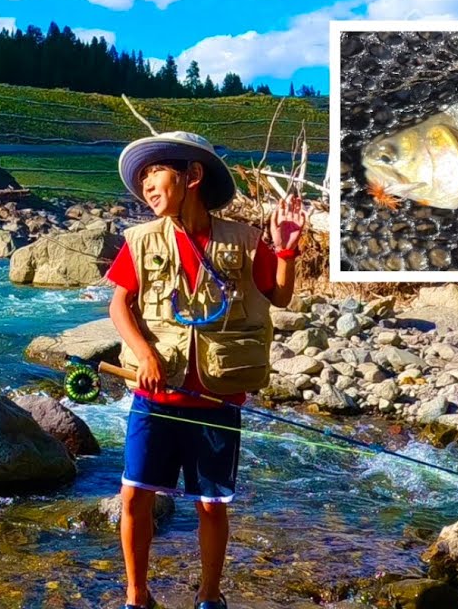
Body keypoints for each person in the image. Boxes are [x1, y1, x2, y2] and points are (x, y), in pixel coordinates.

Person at [105, 131, 306, 609]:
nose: (146, 184)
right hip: (155, 397)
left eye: (156, 172)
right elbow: (119, 307)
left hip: (216, 400)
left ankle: (209, 596)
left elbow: (279, 296)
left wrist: (286, 253)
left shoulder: (243, 241)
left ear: (192, 175)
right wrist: (146, 356)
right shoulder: (139, 241)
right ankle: (137, 597)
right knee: (134, 498)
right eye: (143, 178)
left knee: (211, 506)